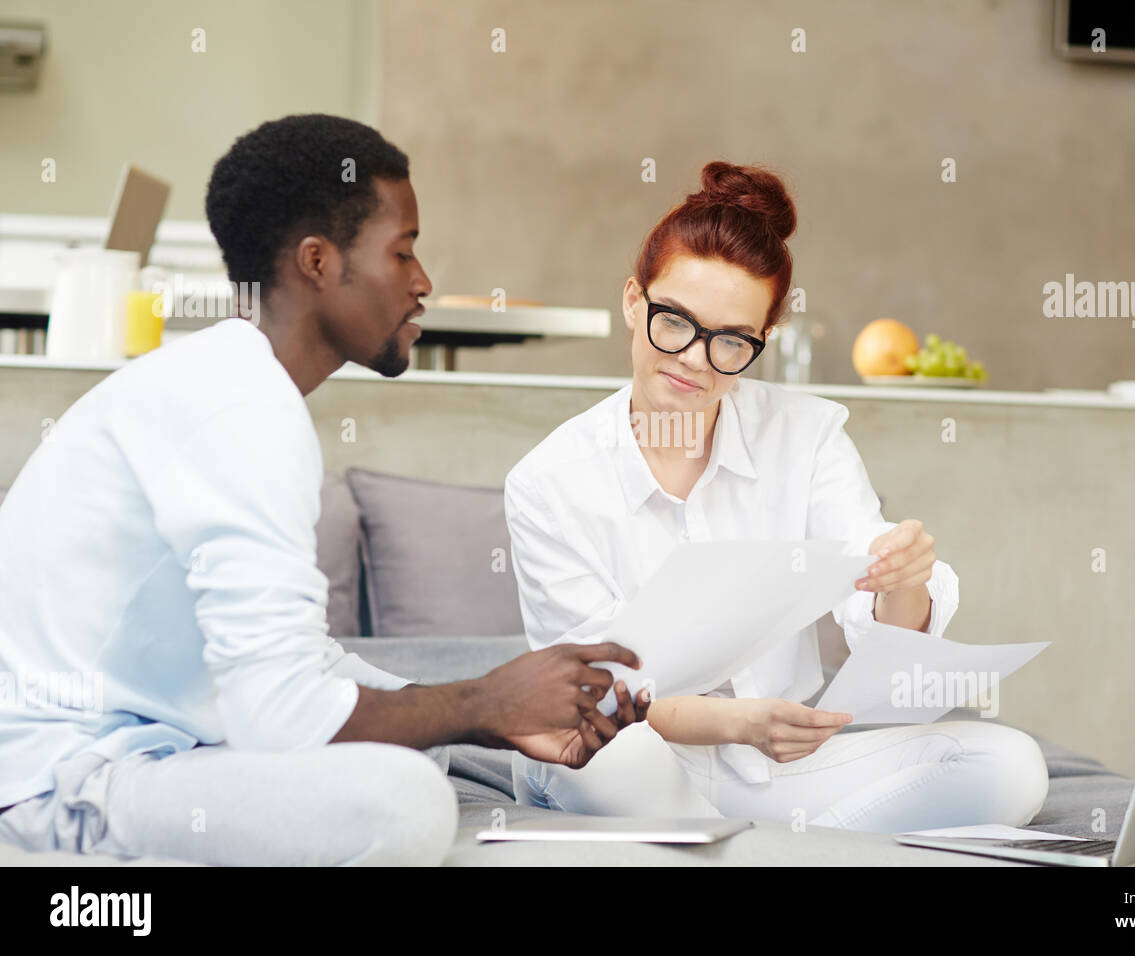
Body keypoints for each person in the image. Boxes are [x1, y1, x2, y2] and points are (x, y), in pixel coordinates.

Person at [0, 114, 649, 867]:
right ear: (318, 262)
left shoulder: (230, 383)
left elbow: (294, 663)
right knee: (402, 803)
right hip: (54, 782)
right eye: (401, 251)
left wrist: (489, 717)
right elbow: (280, 714)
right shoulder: (238, 410)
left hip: (148, 739)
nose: (423, 282)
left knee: (417, 747)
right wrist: (483, 702)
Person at [505, 161, 1049, 832]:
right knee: (612, 756)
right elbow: (588, 696)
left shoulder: (807, 436)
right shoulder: (551, 480)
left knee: (1008, 764)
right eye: (674, 322)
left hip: (771, 770)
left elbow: (878, 620)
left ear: (761, 340)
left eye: (731, 340)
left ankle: (737, 849)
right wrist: (737, 721)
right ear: (632, 300)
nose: (696, 361)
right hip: (628, 752)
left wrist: (900, 578)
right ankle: (774, 847)